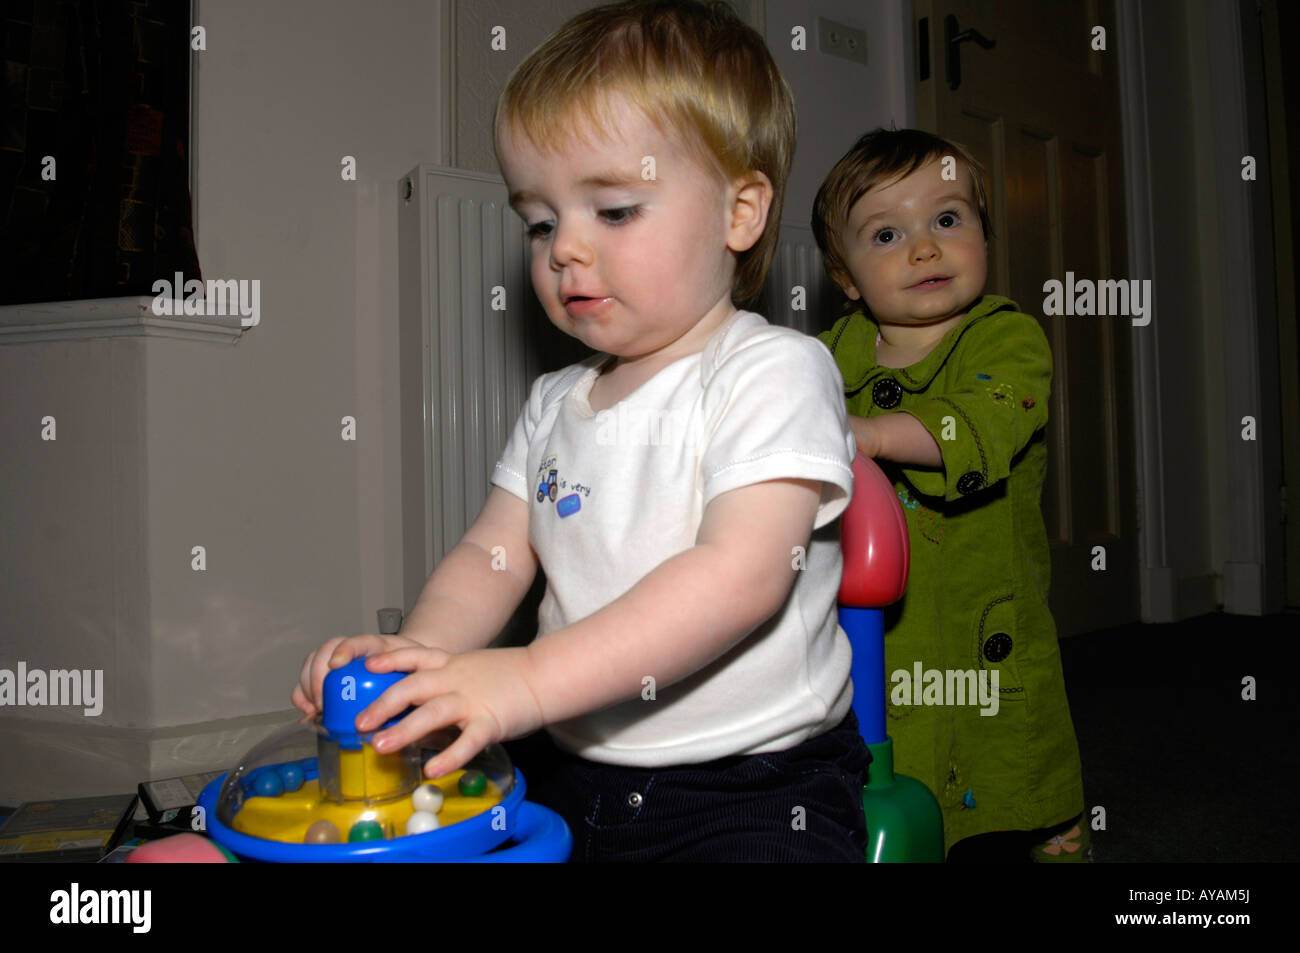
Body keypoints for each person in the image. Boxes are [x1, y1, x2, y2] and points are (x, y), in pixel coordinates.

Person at [293, 0, 869, 862]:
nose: (564, 247)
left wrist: (524, 676)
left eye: (614, 209)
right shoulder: (554, 400)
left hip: (753, 782)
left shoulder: (772, 372)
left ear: (741, 211)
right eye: (540, 220)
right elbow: (494, 552)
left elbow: (739, 577)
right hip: (568, 757)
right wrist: (425, 655)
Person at [811, 128, 1089, 862]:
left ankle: (1052, 832)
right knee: (873, 766)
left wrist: (870, 432)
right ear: (845, 275)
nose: (925, 248)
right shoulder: (828, 353)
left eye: (947, 219)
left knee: (1011, 766)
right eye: (886, 233)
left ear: (984, 234)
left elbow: (981, 422)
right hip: (865, 622)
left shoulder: (1007, 339)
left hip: (981, 622)